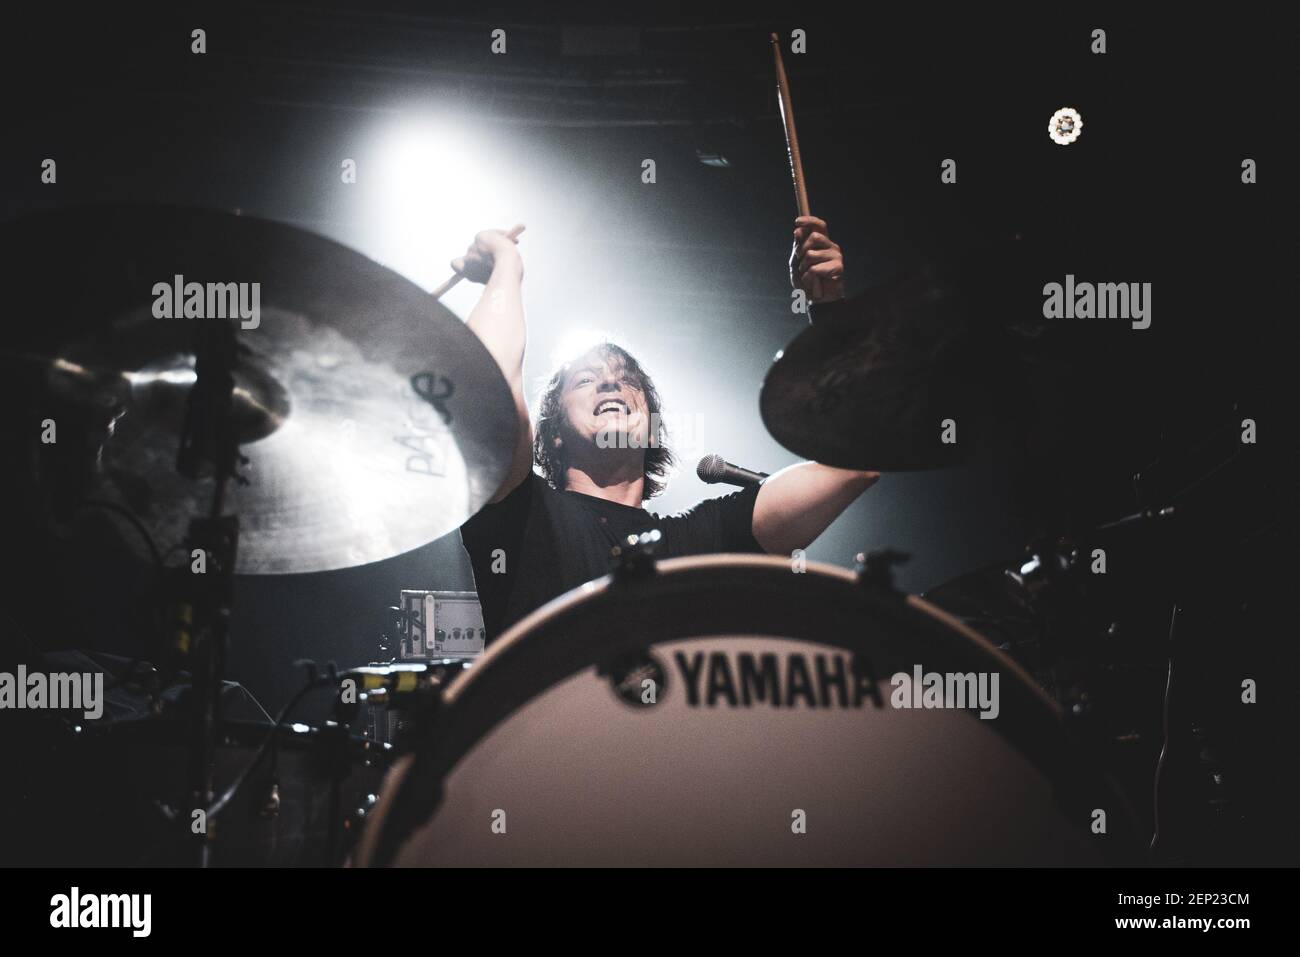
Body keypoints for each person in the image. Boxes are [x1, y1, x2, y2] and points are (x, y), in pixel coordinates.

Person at [456, 216, 879, 641]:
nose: (610, 382)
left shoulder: (703, 537)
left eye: (627, 379)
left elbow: (856, 462)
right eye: (586, 379)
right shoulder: (522, 512)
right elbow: (482, 387)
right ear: (555, 433)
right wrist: (506, 264)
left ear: (651, 428)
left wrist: (829, 311)